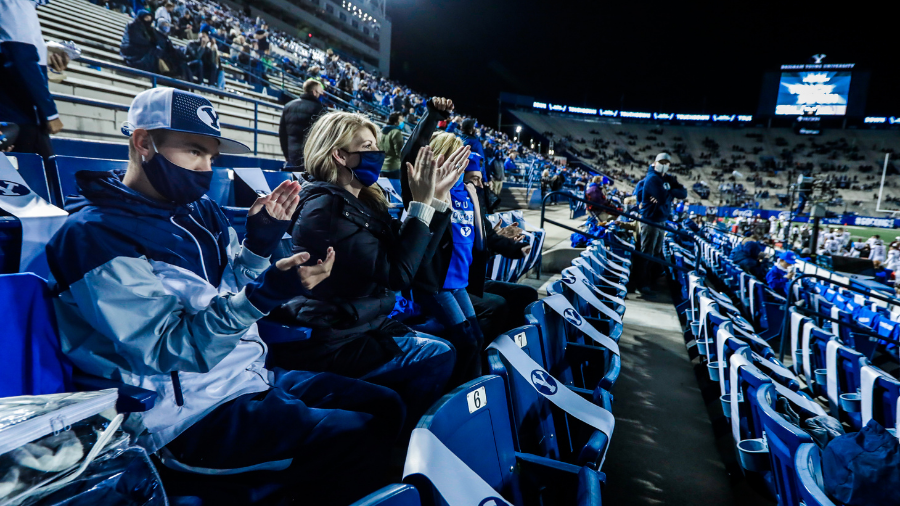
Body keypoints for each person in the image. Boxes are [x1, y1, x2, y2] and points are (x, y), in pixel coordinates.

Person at [45, 88, 400, 505]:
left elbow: (232, 289)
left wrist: (258, 248)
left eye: (212, 157)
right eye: (194, 151)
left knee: (386, 406)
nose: (205, 168)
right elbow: (169, 348)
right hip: (184, 418)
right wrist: (265, 294)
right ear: (143, 142)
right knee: (361, 437)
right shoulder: (93, 236)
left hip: (248, 378)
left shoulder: (202, 211)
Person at [270, 110, 464, 422]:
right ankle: (408, 439)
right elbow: (397, 275)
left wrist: (438, 198)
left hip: (364, 323)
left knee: (449, 344)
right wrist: (420, 204)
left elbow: (414, 262)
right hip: (335, 338)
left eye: (376, 145)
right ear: (339, 155)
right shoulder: (326, 209)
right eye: (367, 146)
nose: (377, 153)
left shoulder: (364, 200)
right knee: (441, 354)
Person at [460, 167, 536, 342]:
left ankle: (512, 346)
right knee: (497, 305)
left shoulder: (474, 206)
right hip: (458, 285)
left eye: (481, 179)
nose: (481, 185)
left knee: (527, 294)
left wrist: (502, 242)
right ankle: (489, 353)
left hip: (473, 280)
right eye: (474, 179)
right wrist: (493, 241)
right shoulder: (453, 206)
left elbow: (487, 243)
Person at [0, 0, 69, 158]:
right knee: (40, 170)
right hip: (18, 117)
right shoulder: (17, 3)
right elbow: (21, 58)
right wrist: (50, 113)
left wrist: (44, 52)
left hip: (15, 115)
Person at [635, 152, 674, 296]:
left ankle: (650, 282)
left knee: (656, 253)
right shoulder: (649, 179)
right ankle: (642, 284)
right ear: (655, 163)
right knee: (647, 253)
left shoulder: (664, 180)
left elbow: (670, 195)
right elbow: (641, 200)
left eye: (666, 163)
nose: (664, 165)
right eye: (661, 162)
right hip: (650, 221)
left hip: (660, 220)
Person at [278, 78, 325, 169]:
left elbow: (282, 133)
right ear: (314, 92)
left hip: (292, 155)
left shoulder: (288, 106)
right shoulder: (319, 109)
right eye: (320, 93)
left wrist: (286, 155)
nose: (321, 95)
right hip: (311, 157)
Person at [120, 9, 165, 73]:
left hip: (142, 45)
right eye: (146, 17)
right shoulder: (133, 25)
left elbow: (155, 39)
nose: (148, 20)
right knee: (153, 51)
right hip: (131, 46)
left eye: (149, 18)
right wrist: (150, 42)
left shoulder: (149, 28)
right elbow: (136, 38)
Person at [378, 112, 405, 179]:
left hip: (382, 166)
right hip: (393, 167)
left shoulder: (381, 132)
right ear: (395, 122)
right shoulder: (396, 132)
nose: (403, 121)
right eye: (401, 120)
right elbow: (399, 152)